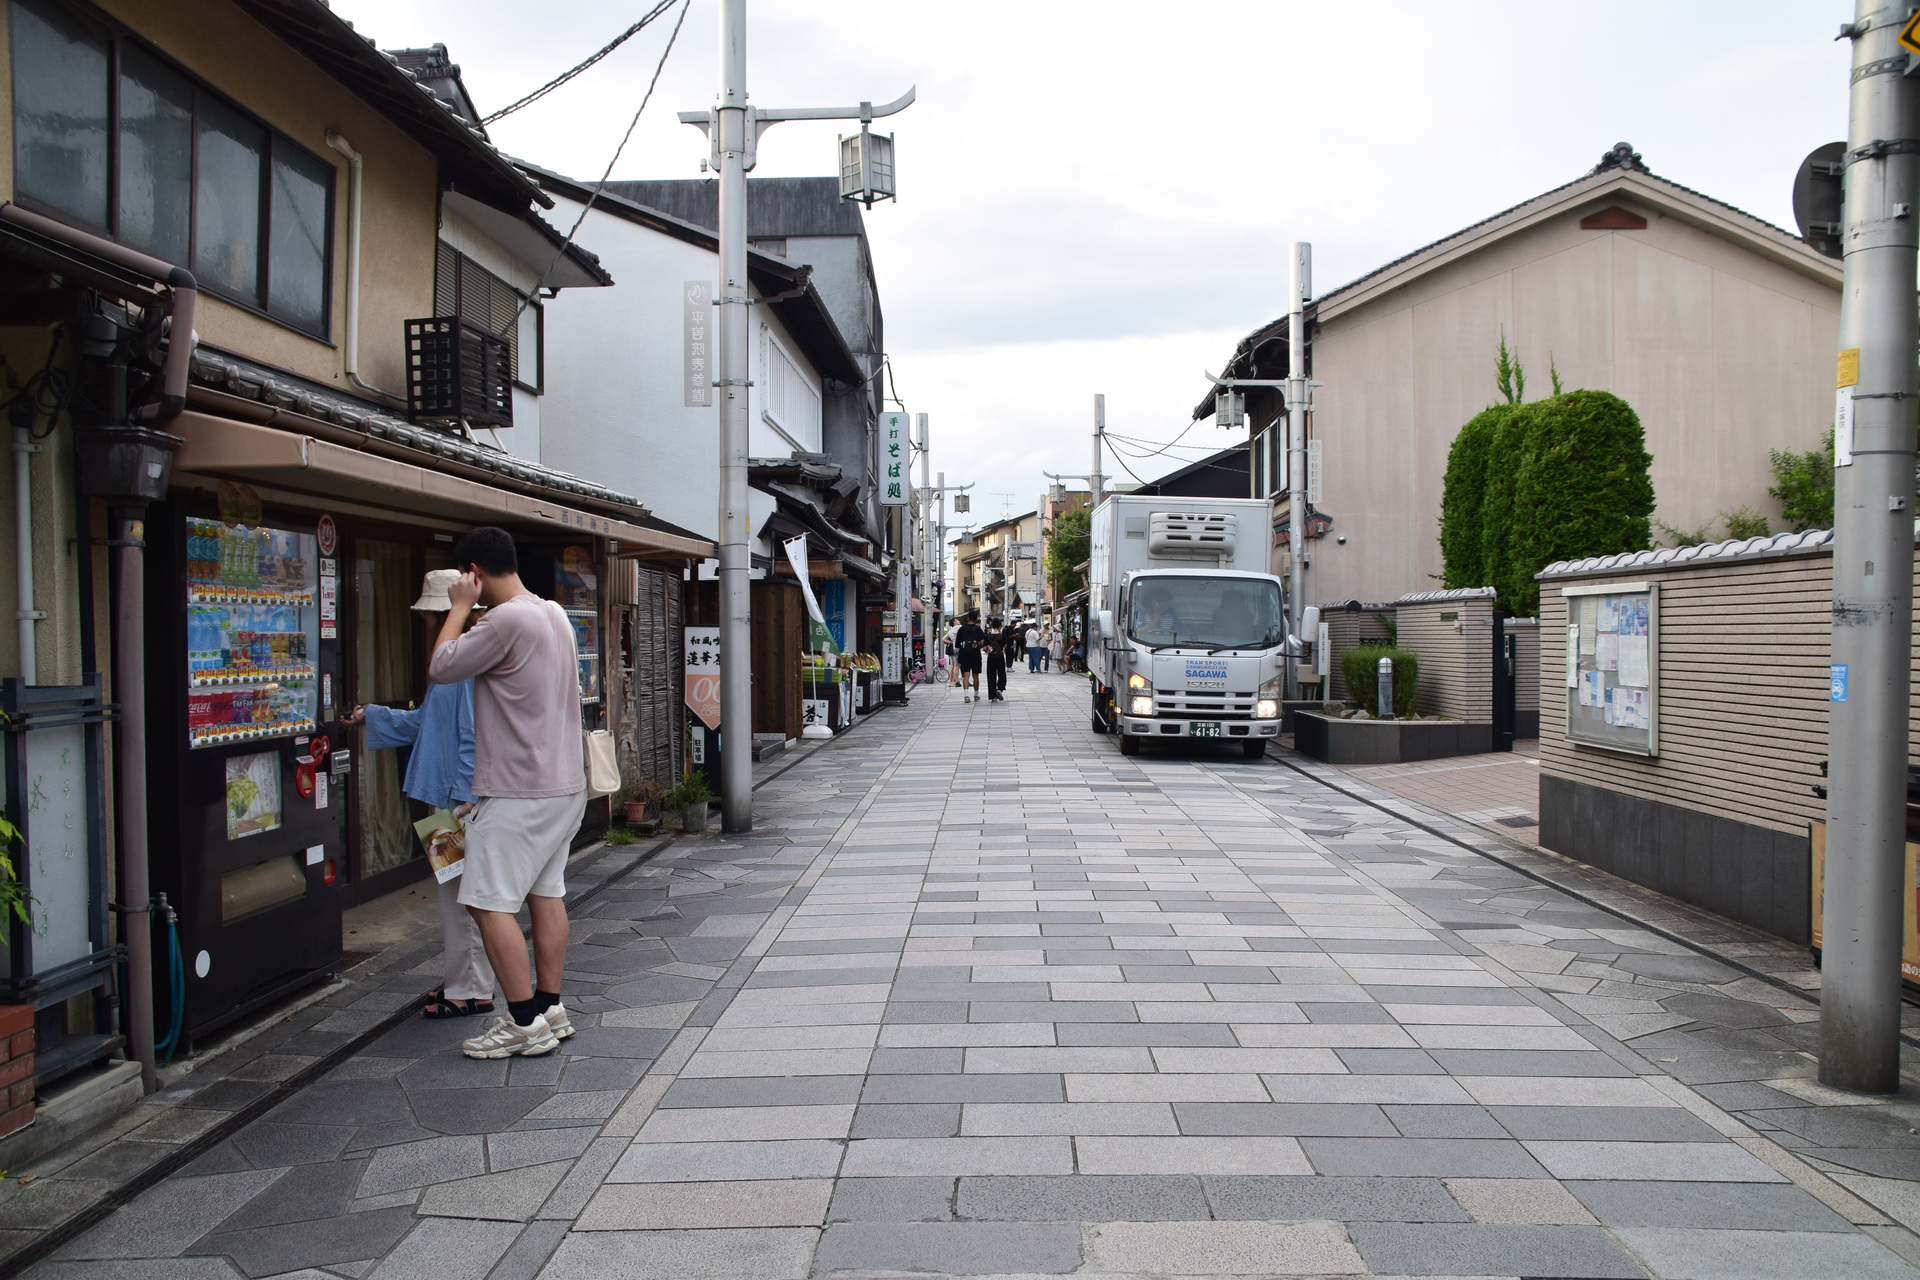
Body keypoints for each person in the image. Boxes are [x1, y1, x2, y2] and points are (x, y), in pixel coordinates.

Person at [428, 527, 586, 1060]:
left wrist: (458, 608)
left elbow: (442, 666)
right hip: (564, 783)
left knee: (484, 900)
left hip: (522, 788)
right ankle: (549, 1006)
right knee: (547, 893)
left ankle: (522, 1022)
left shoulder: (504, 619)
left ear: (473, 572)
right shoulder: (553, 613)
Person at [342, 571, 493, 1019]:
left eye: (428, 614)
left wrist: (470, 793)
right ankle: (463, 980)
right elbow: (429, 724)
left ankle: (470, 988)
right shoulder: (459, 660)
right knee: (458, 891)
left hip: (455, 800)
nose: (425, 623)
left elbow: (469, 733)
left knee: (460, 894)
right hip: (449, 798)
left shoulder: (460, 663)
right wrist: (372, 715)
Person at [953, 610, 985, 702]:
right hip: (975, 654)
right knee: (976, 675)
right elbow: (982, 642)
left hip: (964, 654)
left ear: (968, 618)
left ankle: (966, 696)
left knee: (966, 675)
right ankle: (976, 695)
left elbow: (957, 645)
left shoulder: (962, 629)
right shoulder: (978, 629)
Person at [984, 615, 1009, 701]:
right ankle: (999, 689)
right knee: (1002, 674)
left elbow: (984, 647)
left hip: (991, 657)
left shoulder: (988, 636)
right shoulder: (1002, 636)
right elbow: (1005, 645)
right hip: (1000, 657)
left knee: (991, 676)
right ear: (999, 626)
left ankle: (992, 696)